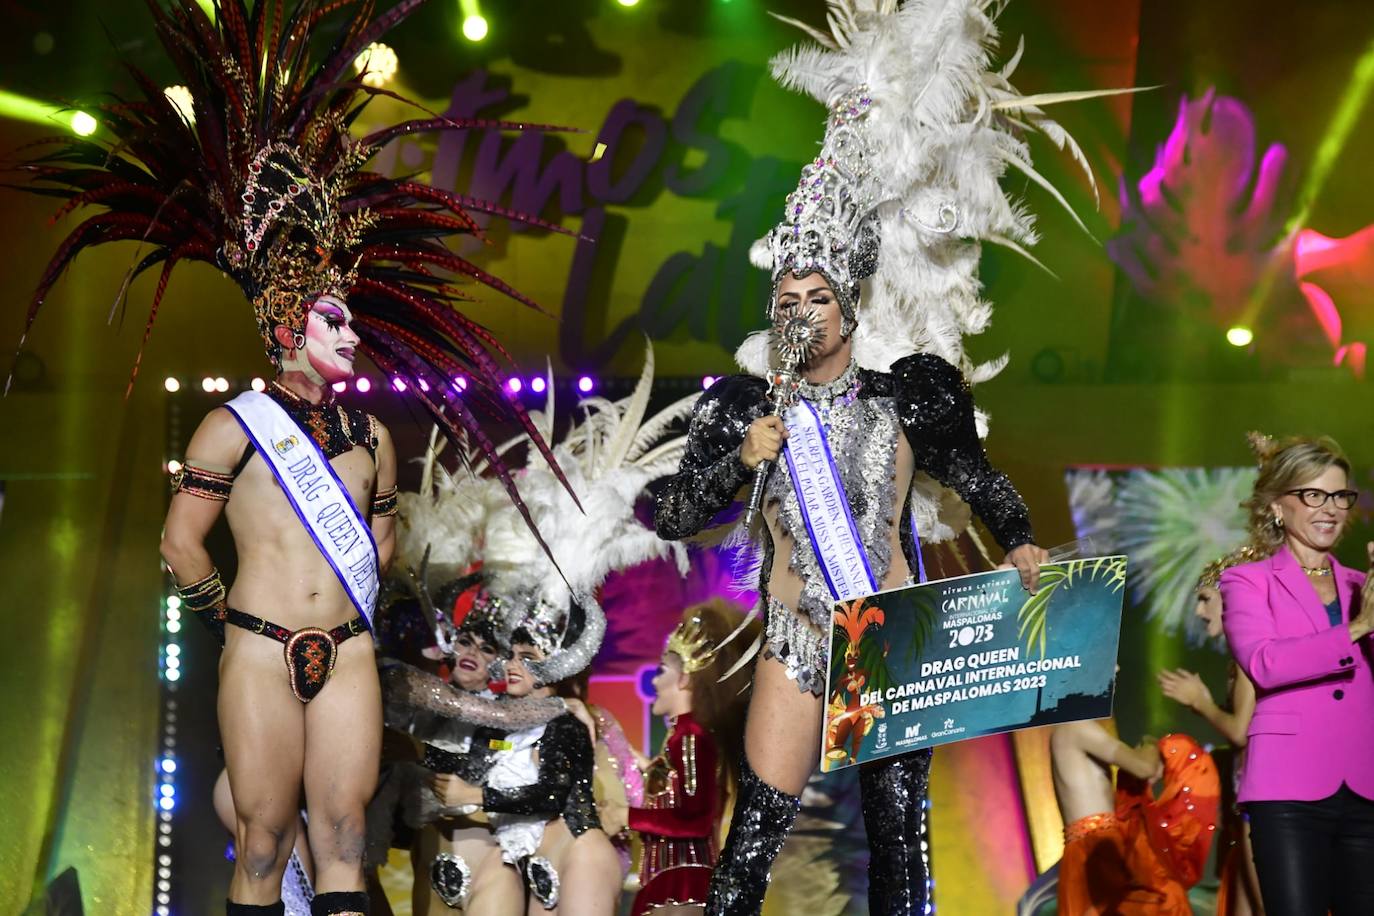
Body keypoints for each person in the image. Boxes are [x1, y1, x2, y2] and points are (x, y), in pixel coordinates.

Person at [12, 3, 578, 912]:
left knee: (346, 833)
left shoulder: (370, 438)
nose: (352, 334)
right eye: (333, 319)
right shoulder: (230, 428)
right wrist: (226, 623)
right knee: (265, 838)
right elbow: (180, 545)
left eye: (350, 318)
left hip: (349, 651)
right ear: (286, 326)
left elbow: (383, 548)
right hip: (260, 647)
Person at [652, 0, 1127, 908]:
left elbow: (976, 476)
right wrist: (740, 464)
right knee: (752, 840)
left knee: (898, 846)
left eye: (816, 298)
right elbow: (673, 512)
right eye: (784, 300)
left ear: (850, 307)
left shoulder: (907, 393)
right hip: (793, 640)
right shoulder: (748, 407)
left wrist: (1020, 539)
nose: (797, 314)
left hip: (885, 636)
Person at [1220, 434, 1374, 915]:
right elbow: (1265, 662)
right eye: (1312, 495)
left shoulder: (1360, 585)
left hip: (1366, 787)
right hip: (1287, 792)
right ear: (1277, 507)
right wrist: (1360, 627)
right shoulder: (1248, 581)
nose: (1329, 508)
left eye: (1339, 496)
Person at [628, 600, 760, 916]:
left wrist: (625, 816)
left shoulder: (692, 736)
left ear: (685, 678)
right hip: (670, 888)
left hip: (680, 889)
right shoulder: (684, 739)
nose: (655, 681)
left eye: (662, 670)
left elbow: (696, 819)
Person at [1158, 548, 1264, 915]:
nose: (1200, 612)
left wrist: (1201, 702)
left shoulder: (1249, 655)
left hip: (1263, 803)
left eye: (1205, 600)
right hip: (1246, 804)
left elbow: (1240, 732)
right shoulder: (1239, 657)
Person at [1050, 724, 1219, 915]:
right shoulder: (1077, 728)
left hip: (1095, 848)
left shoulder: (1068, 732)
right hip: (1097, 850)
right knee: (1165, 898)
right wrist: (1152, 744)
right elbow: (1143, 767)